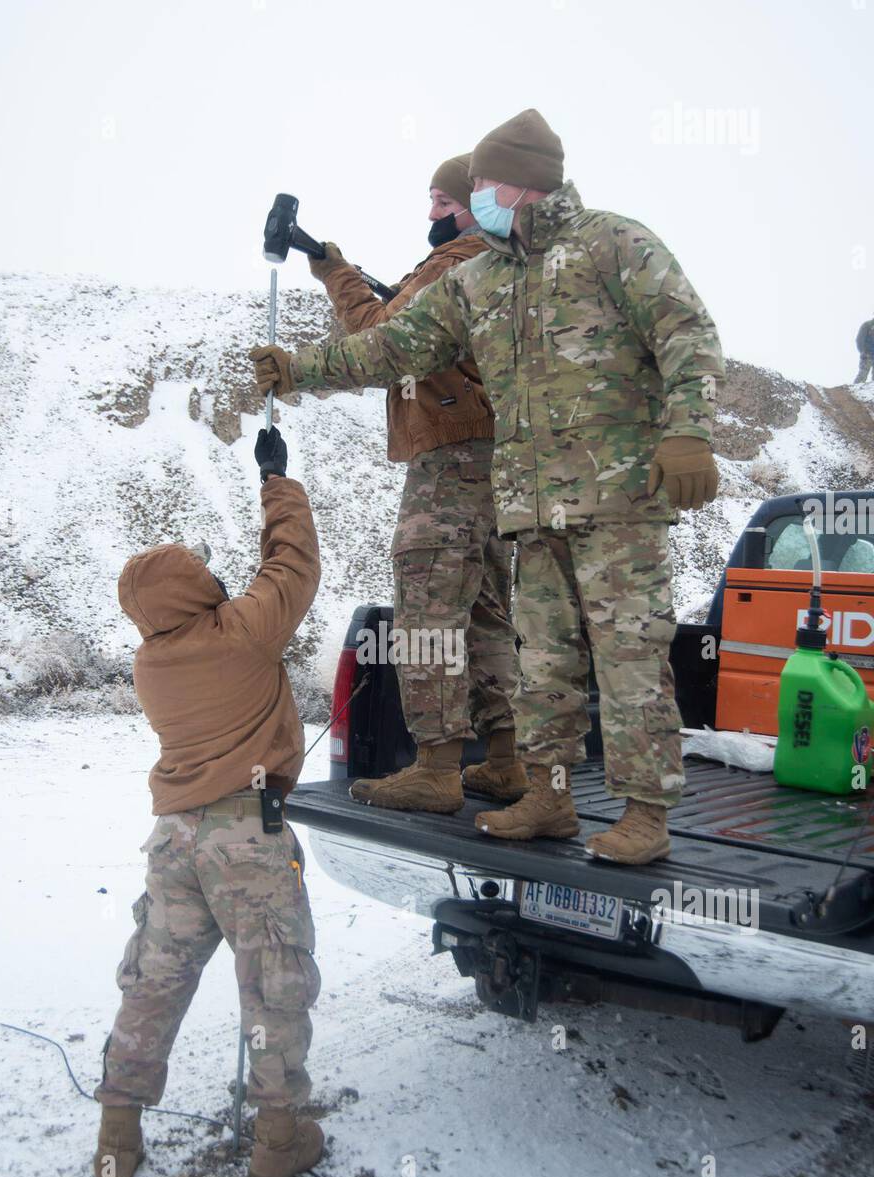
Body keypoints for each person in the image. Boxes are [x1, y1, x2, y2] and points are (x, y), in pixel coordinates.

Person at [251, 110, 725, 866]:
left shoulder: (614, 243)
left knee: (629, 657)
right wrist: (298, 369)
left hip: (620, 500)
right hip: (529, 505)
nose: (472, 193)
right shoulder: (479, 278)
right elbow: (393, 345)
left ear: (526, 180)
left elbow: (686, 333)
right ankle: (551, 794)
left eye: (481, 182)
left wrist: (689, 430)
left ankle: (644, 814)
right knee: (547, 667)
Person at [93, 427, 324, 1177]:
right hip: (244, 838)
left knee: (153, 982)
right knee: (273, 987)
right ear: (194, 590)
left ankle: (117, 1137)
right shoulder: (240, 633)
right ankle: (279, 1137)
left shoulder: (150, 661)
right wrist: (276, 481)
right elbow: (291, 563)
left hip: (175, 842)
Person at [306, 154, 524, 813]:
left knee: (429, 598)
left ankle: (435, 768)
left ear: (466, 203)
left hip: (453, 454)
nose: (430, 213)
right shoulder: (501, 260)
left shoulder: (461, 255)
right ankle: (510, 760)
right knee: (485, 607)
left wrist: (333, 275)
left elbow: (381, 336)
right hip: (495, 456)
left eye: (439, 199)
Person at [855, 316, 874, 384]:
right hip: (867, 355)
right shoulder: (867, 325)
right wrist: (862, 352)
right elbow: (859, 340)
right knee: (862, 376)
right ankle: (855, 391)